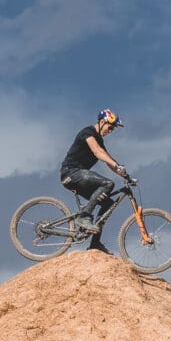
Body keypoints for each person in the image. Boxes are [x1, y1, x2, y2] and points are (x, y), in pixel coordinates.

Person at [59, 108, 133, 253]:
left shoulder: (99, 140)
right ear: (102, 122)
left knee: (108, 204)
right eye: (110, 127)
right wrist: (116, 166)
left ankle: (95, 243)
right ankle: (84, 216)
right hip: (71, 173)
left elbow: (108, 160)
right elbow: (97, 152)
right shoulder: (88, 132)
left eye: (113, 129)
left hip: (80, 176)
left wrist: (124, 174)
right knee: (108, 184)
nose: (110, 131)